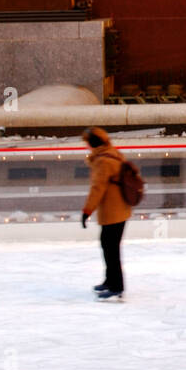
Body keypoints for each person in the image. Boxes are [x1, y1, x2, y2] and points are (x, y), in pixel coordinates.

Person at [81, 127, 132, 301]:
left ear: (93, 143)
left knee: (111, 249)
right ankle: (110, 281)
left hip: (113, 212)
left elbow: (98, 188)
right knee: (108, 246)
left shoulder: (103, 160)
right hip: (119, 210)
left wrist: (87, 211)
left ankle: (116, 286)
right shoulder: (112, 154)